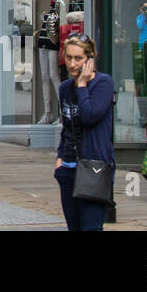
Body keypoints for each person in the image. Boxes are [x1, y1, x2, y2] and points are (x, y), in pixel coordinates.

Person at [53, 35, 115, 231]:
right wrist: (60, 158)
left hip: (94, 167)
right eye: (69, 57)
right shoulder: (64, 88)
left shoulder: (103, 83)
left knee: (91, 228)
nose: (72, 64)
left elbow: (90, 116)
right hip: (68, 167)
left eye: (78, 58)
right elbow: (67, 126)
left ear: (90, 58)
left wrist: (82, 86)